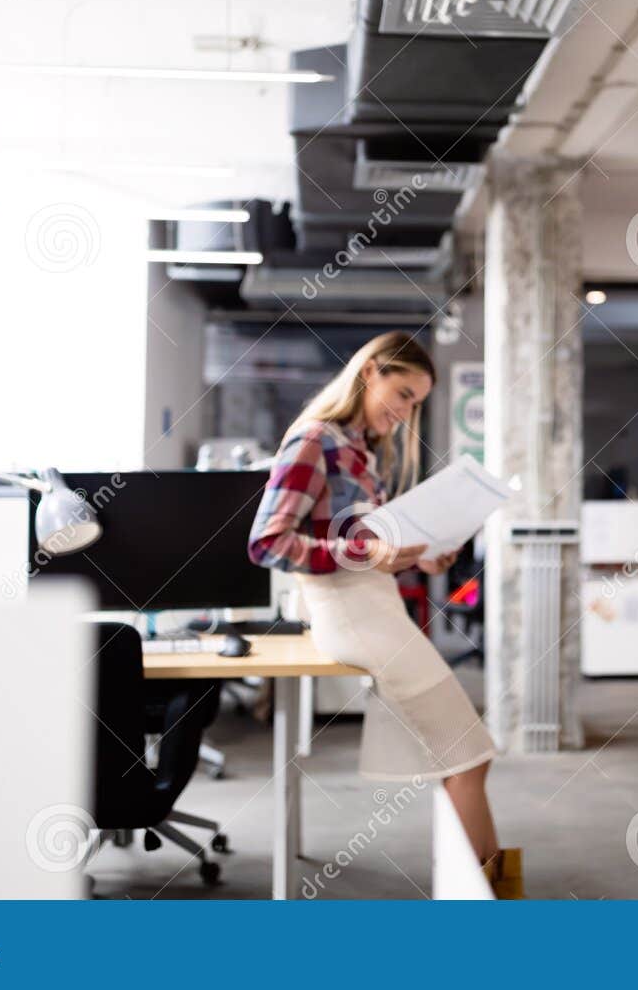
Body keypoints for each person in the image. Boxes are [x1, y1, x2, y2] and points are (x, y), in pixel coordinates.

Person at [248, 331, 520, 897]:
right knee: (469, 756)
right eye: (401, 392)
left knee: (466, 758)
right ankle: (499, 903)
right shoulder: (313, 441)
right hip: (351, 616)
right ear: (368, 372)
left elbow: (363, 550)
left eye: (415, 402)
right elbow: (267, 543)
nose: (405, 411)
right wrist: (367, 552)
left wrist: (421, 551)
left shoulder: (362, 452)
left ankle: (487, 894)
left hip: (377, 607)